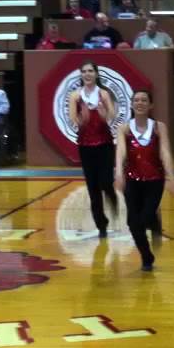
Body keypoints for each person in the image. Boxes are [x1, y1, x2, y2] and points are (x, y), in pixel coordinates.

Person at [113, 89, 174, 271]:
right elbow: (121, 152)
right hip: (132, 180)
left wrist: (171, 176)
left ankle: (153, 221)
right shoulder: (124, 128)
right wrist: (118, 173)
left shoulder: (158, 127)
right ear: (132, 104)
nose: (140, 103)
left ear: (151, 105)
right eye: (136, 100)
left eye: (144, 100)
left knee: (145, 217)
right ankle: (146, 256)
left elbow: (165, 152)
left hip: (154, 180)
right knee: (133, 223)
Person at [66, 61, 119, 236]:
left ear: (96, 74)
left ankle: (113, 199)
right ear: (81, 74)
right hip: (85, 146)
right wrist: (82, 119)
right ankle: (101, 224)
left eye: (90, 71)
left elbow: (112, 115)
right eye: (84, 71)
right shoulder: (75, 95)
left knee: (106, 182)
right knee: (93, 187)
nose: (87, 74)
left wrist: (105, 115)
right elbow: (73, 119)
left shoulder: (103, 94)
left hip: (104, 144)